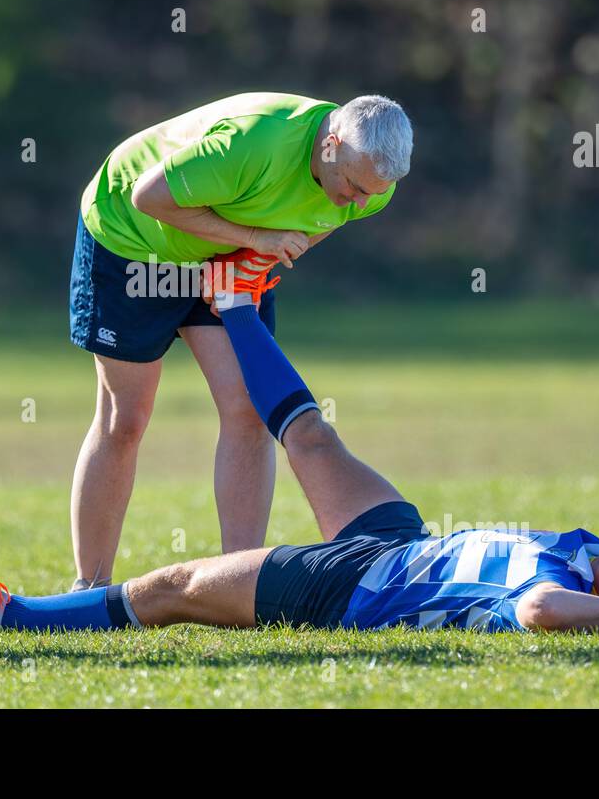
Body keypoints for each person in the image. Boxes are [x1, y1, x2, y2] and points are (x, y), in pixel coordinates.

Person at [0, 270, 599, 635]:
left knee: (174, 589)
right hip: (405, 545)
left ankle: (4, 613)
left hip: (353, 588)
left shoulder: (561, 595)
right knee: (310, 433)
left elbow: (537, 614)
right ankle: (233, 302)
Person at [68, 91, 413, 590]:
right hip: (133, 241)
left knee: (249, 410)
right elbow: (149, 197)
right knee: (126, 417)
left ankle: (238, 582)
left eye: (372, 193)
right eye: (355, 186)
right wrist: (256, 239)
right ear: (332, 145)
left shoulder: (372, 182)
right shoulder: (254, 142)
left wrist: (254, 262)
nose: (362, 201)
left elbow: (327, 219)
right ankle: (89, 588)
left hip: (228, 250)